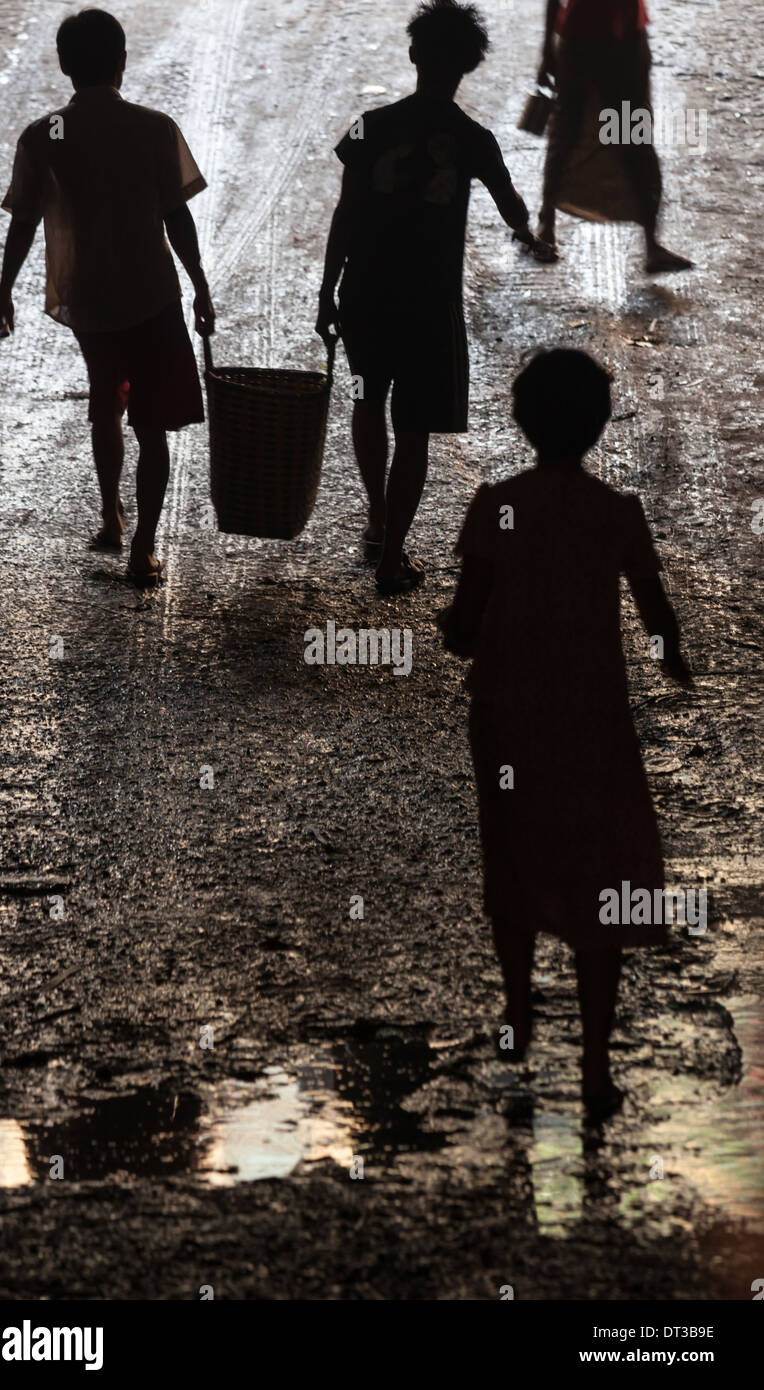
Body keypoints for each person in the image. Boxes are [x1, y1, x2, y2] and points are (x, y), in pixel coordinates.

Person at [439, 349, 693, 1121]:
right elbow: (659, 621)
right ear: (598, 425)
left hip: (510, 717)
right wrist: (674, 661)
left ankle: (518, 1017)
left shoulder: (495, 507)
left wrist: (454, 629)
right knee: (599, 878)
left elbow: (464, 626)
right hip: (594, 721)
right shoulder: (617, 513)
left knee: (514, 860)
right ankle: (594, 1065)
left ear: (521, 421)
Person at [316, 0, 553, 597]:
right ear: (468, 66)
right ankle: (393, 555)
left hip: (366, 294)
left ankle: (375, 516)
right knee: (415, 428)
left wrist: (327, 291)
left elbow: (346, 214)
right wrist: (530, 235)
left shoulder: (371, 127)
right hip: (429, 304)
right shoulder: (473, 140)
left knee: (368, 401)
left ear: (415, 53)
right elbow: (512, 208)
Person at [0, 8, 215, 587]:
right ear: (122, 61)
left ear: (64, 64)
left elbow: (24, 222)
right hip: (151, 293)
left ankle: (111, 514)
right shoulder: (153, 127)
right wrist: (200, 285)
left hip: (87, 296)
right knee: (152, 425)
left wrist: (4, 293)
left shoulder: (45, 135)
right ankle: (143, 546)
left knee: (104, 400)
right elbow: (176, 216)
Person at [533, 0, 692, 272]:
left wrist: (548, 46)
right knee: (630, 138)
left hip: (587, 35)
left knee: (570, 133)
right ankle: (651, 245)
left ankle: (546, 223)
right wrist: (548, 47)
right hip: (617, 38)